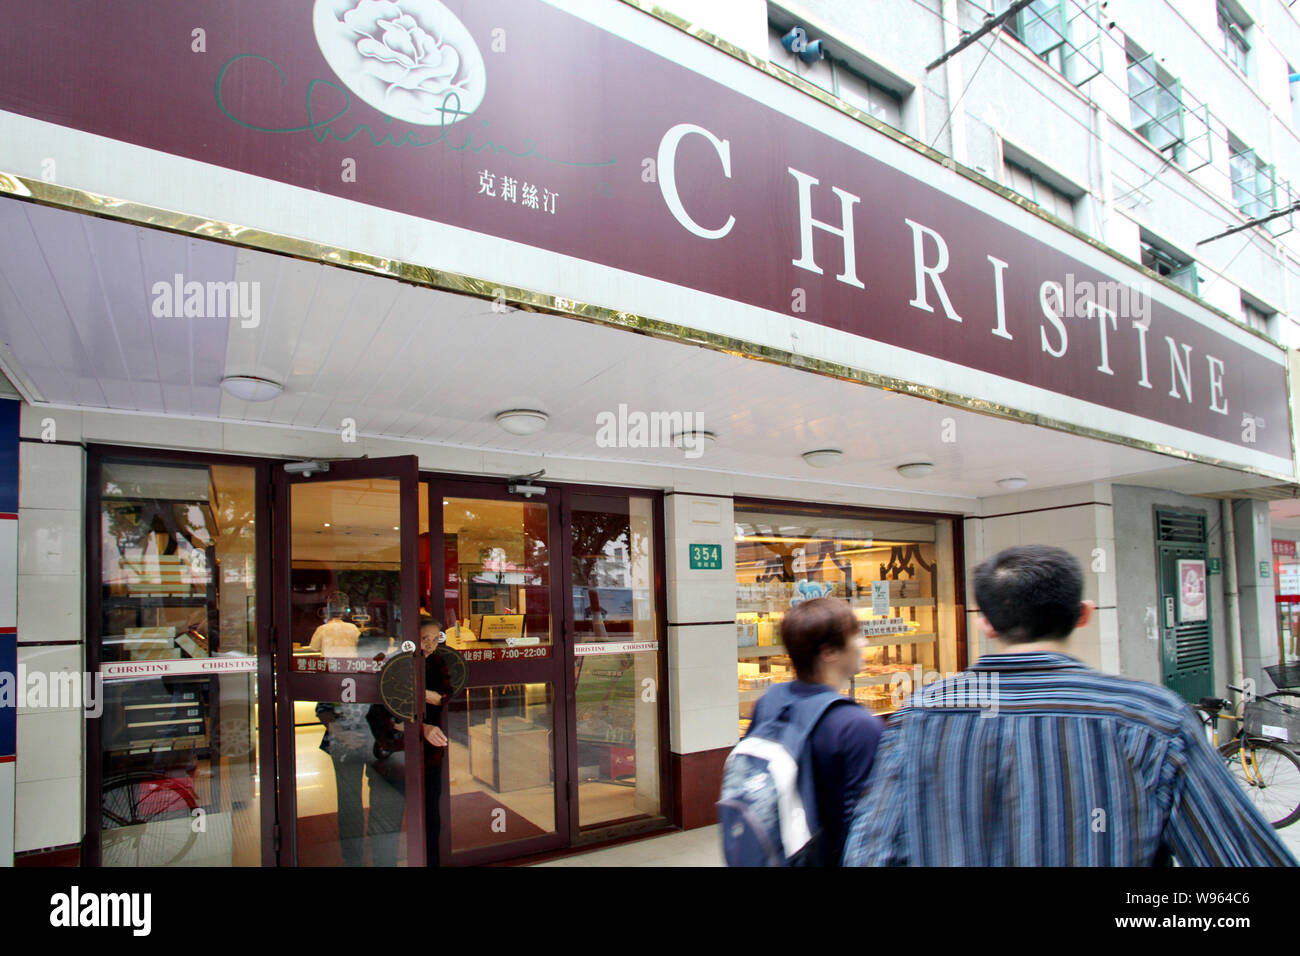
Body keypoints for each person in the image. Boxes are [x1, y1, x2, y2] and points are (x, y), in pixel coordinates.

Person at [842, 545, 1298, 866]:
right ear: (1084, 614)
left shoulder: (920, 715)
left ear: (985, 625)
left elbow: (870, 854)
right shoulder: (1151, 718)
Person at [745, 597, 883, 866]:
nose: (864, 643)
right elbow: (866, 828)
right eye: (856, 635)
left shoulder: (770, 701)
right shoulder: (857, 725)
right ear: (829, 652)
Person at [419, 613, 453, 866]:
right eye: (424, 639)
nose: (430, 645)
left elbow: (443, 696)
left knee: (432, 807)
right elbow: (389, 706)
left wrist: (413, 692)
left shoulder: (438, 661)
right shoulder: (397, 663)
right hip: (400, 748)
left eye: (435, 639)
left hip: (432, 748)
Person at [307, 591, 360, 657]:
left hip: (330, 664)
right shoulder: (353, 628)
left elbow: (314, 647)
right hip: (350, 664)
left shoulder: (322, 629)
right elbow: (360, 646)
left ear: (327, 614)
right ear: (341, 614)